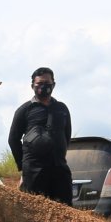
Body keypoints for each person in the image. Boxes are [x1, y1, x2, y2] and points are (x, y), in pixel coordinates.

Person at [7, 67, 73, 204]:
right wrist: (23, 167)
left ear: (53, 84)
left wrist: (59, 154)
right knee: (33, 210)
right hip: (34, 171)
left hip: (59, 169)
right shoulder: (24, 110)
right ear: (32, 86)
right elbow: (13, 139)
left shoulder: (62, 109)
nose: (44, 87)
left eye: (47, 83)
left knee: (66, 210)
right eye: (39, 84)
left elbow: (66, 136)